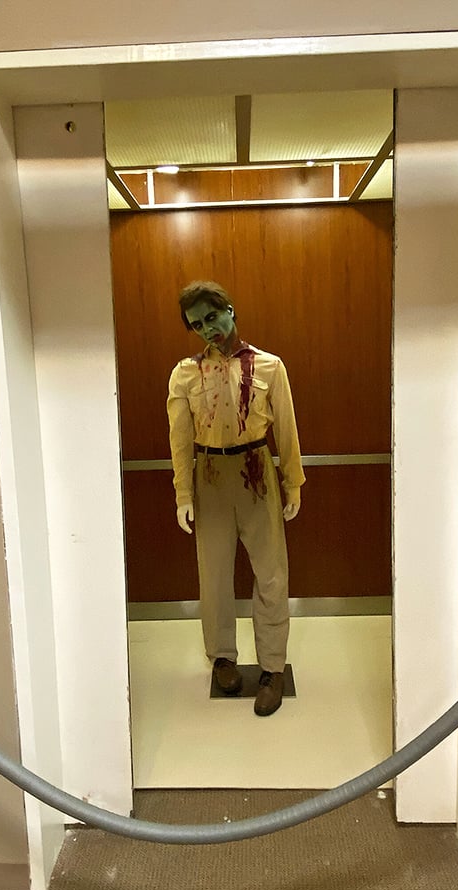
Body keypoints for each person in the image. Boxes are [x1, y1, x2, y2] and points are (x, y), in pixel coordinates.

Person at [166, 280, 305, 716]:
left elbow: (286, 427)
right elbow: (179, 439)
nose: (208, 329)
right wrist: (183, 493)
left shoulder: (269, 367)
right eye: (197, 325)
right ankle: (222, 656)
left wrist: (293, 482)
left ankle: (273, 667)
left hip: (257, 472)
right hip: (209, 475)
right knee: (215, 575)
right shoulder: (185, 373)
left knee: (270, 574)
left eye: (212, 317)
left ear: (229, 309)